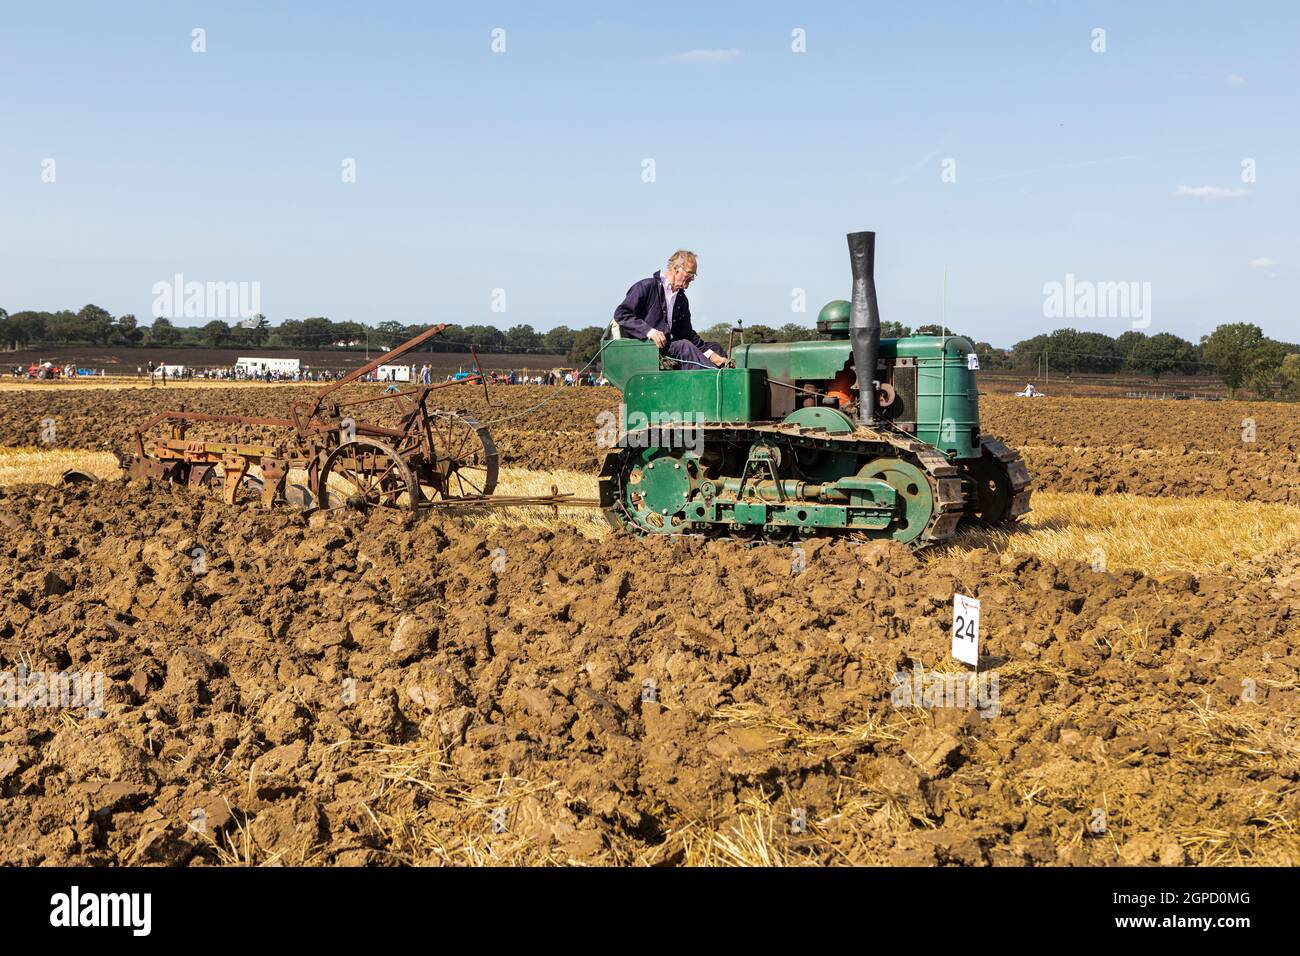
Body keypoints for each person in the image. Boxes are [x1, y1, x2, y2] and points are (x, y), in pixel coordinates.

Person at [613, 249, 727, 369]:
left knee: (715, 348)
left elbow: (687, 334)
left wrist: (713, 356)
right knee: (684, 347)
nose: (692, 278)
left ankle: (726, 374)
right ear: (675, 268)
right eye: (690, 273)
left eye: (694, 275)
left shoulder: (682, 299)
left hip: (671, 348)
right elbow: (621, 314)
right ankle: (717, 382)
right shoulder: (646, 286)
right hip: (649, 349)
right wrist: (650, 332)